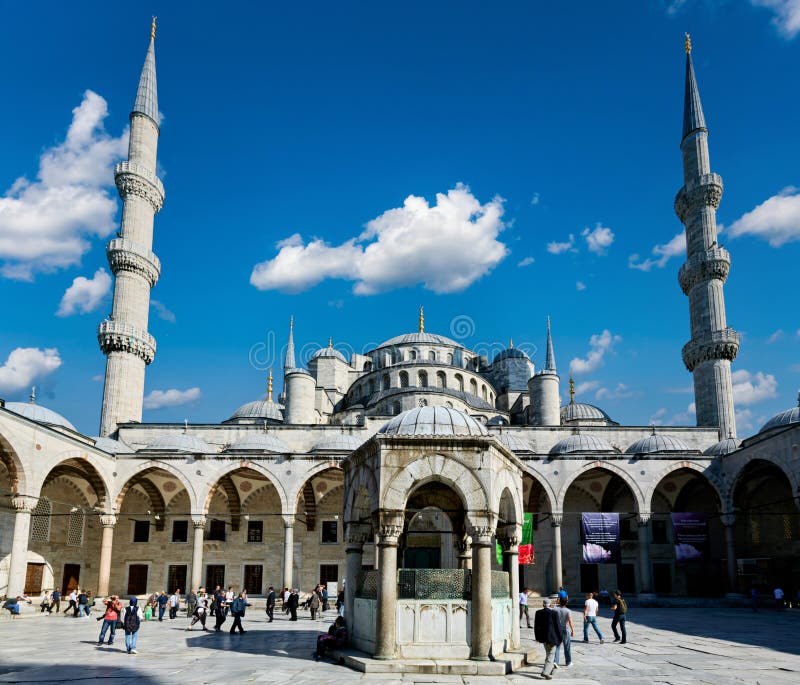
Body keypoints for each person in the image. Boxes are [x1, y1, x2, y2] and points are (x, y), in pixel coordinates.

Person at [533, 598, 565, 680]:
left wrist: (537, 637)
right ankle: (545, 672)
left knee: (548, 654)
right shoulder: (554, 613)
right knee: (551, 655)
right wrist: (561, 638)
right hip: (552, 638)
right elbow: (558, 626)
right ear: (550, 605)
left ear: (543, 605)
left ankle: (548, 669)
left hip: (543, 638)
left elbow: (536, 627)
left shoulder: (538, 612)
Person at [553, 597, 575, 668]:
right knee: (567, 647)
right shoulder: (568, 611)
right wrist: (572, 630)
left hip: (556, 630)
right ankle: (568, 662)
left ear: (559, 602)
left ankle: (555, 661)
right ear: (566, 602)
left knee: (557, 646)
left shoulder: (555, 609)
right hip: (565, 630)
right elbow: (570, 621)